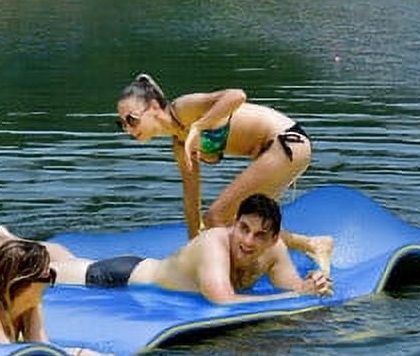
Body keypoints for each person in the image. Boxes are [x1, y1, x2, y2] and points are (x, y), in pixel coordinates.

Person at [0, 193, 332, 306]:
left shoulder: (272, 251)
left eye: (258, 236)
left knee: (63, 258)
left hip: (134, 270)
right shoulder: (216, 244)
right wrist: (296, 297)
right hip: (120, 278)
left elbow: (294, 289)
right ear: (234, 224)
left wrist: (308, 286)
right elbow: (222, 299)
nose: (247, 241)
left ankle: (9, 238)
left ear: (275, 238)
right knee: (35, 270)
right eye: (243, 229)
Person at [115, 72, 333, 271]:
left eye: (131, 120)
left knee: (217, 217)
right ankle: (312, 245)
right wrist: (194, 253)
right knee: (238, 222)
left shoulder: (183, 109)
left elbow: (237, 96)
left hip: (287, 142)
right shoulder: (180, 146)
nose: (127, 129)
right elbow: (192, 203)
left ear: (153, 107)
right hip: (274, 152)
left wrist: (199, 127)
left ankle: (249, 271)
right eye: (121, 124)